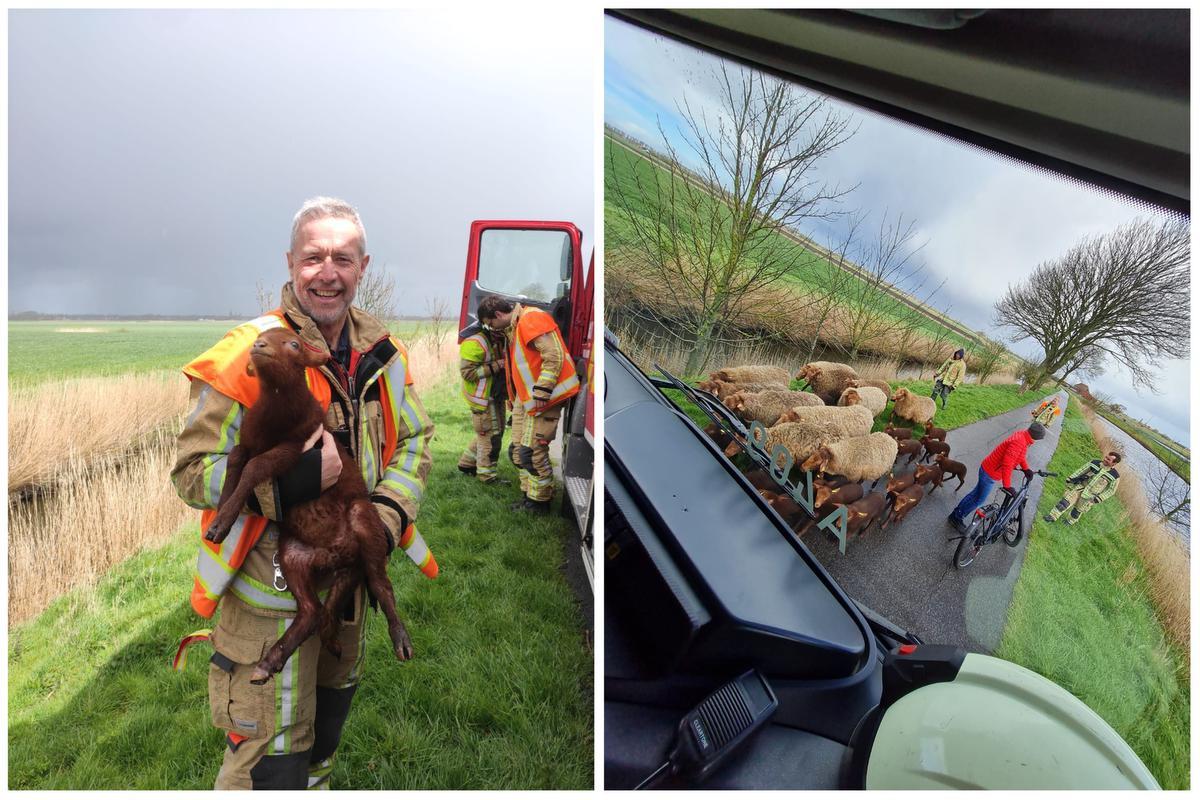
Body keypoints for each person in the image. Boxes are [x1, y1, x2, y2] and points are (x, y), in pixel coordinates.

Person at [171, 197, 437, 790]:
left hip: (345, 595)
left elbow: (416, 439)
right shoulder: (248, 352)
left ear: (363, 267)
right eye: (314, 257)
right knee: (268, 768)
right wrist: (289, 484)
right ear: (291, 263)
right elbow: (192, 470)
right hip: (268, 605)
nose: (328, 272)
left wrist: (386, 517)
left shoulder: (383, 353)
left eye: (343, 258)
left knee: (322, 747)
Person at [477, 294, 580, 512]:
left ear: (498, 314)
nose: (491, 328)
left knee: (531, 453)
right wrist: (515, 400)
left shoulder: (531, 318)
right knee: (517, 452)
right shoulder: (514, 327)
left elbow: (554, 355)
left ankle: (540, 502)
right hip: (527, 400)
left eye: (490, 323)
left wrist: (543, 390)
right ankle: (528, 496)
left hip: (544, 397)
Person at [947, 422, 1046, 531]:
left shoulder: (1022, 436)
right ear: (1036, 437)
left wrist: (1026, 468)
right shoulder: (1020, 442)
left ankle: (956, 514)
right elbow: (1007, 464)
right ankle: (956, 517)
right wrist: (1007, 486)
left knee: (975, 495)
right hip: (989, 473)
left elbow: (1020, 455)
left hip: (988, 469)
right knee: (978, 499)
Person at [456, 321, 508, 483]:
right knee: (490, 436)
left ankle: (467, 463)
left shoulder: (495, 340)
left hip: (494, 395)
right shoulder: (476, 342)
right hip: (483, 399)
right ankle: (487, 476)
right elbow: (468, 373)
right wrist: (496, 366)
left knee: (491, 432)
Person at [1044, 451, 1122, 525]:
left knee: (1078, 510)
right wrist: (1071, 478)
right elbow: (1081, 470)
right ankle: (1052, 516)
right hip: (1080, 487)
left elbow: (1111, 491)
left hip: (1090, 496)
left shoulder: (1115, 476)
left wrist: (1099, 498)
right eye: (1106, 457)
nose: (1105, 459)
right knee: (1065, 502)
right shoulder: (1094, 463)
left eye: (1108, 459)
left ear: (1114, 463)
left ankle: (1069, 522)